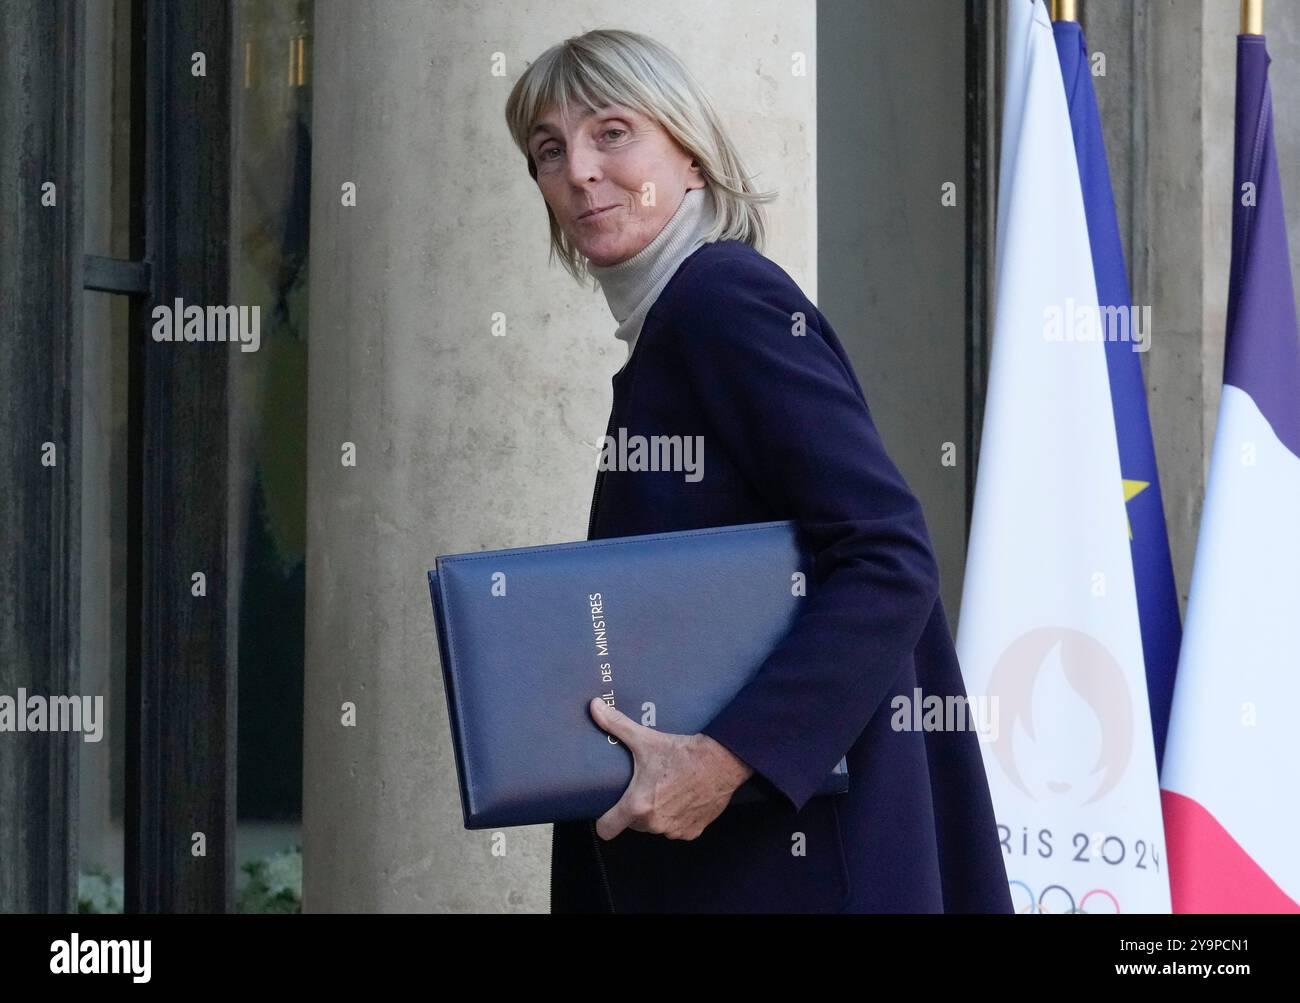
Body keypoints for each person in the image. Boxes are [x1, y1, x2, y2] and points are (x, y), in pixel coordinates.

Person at [504, 27, 1012, 913]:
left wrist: (725, 759)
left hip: (796, 868)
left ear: (691, 157)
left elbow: (889, 557)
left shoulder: (722, 302)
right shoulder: (678, 326)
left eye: (612, 131)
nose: (579, 170)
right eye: (550, 150)